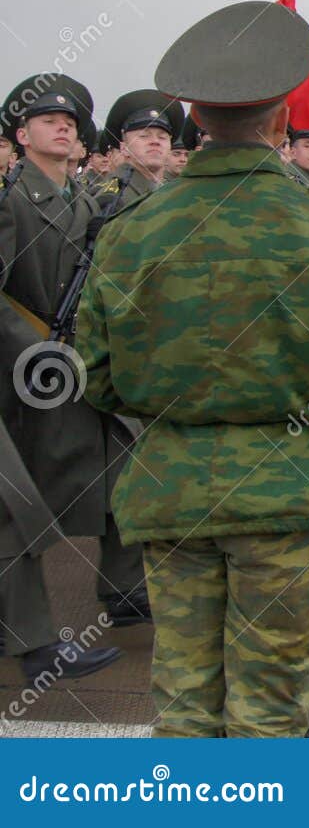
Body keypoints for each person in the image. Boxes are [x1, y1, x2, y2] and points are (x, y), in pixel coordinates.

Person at [77, 0, 309, 736]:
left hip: (171, 492)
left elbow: (92, 372)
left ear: (193, 114)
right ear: (284, 119)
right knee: (271, 708)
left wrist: (172, 414)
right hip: (286, 490)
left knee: (184, 703)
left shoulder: (130, 231)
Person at [0, 75, 140, 687]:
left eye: (71, 122)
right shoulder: (10, 203)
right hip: (19, 381)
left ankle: (128, 590)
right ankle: (33, 644)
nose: (64, 127)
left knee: (122, 463)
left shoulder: (85, 201)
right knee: (16, 507)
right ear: (21, 135)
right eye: (49, 121)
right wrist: (34, 351)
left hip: (72, 371)